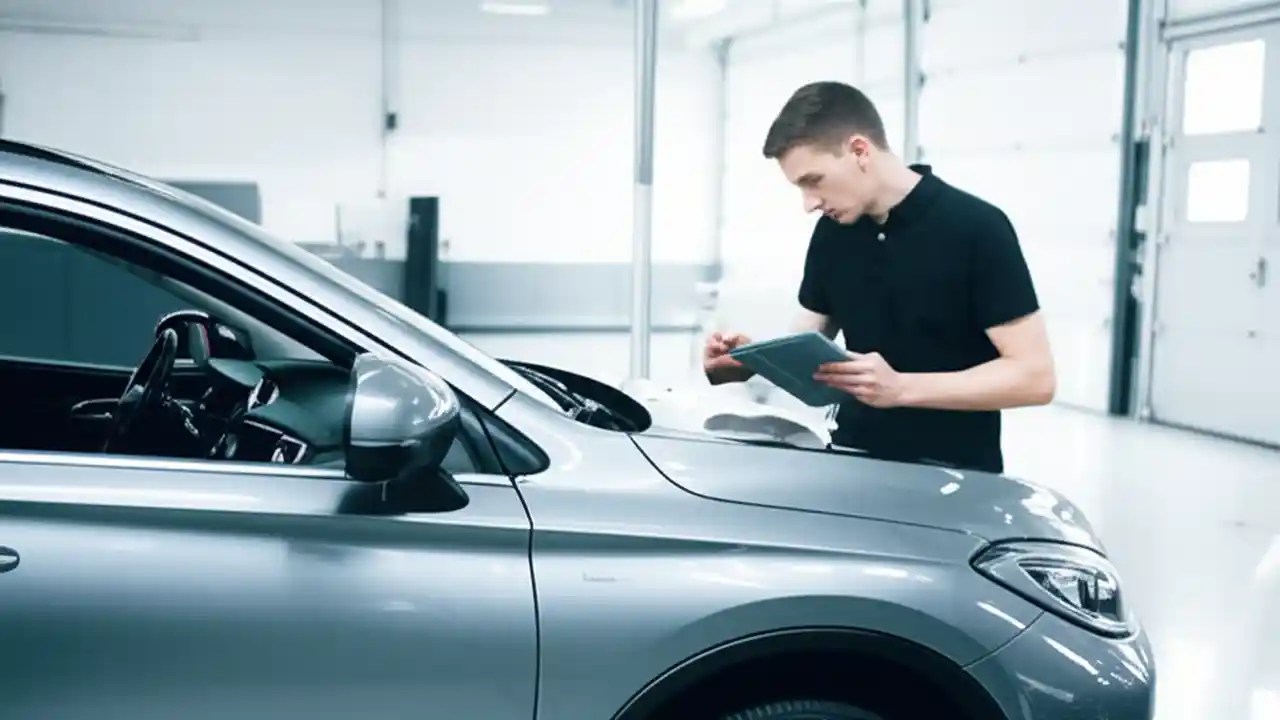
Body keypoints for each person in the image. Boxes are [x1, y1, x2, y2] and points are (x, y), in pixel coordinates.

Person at [703, 81, 1055, 474]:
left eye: (813, 180)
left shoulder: (977, 228)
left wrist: (901, 388)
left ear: (859, 151)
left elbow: (1034, 377)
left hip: (956, 477)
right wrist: (753, 361)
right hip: (852, 463)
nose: (809, 203)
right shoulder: (833, 232)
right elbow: (809, 342)